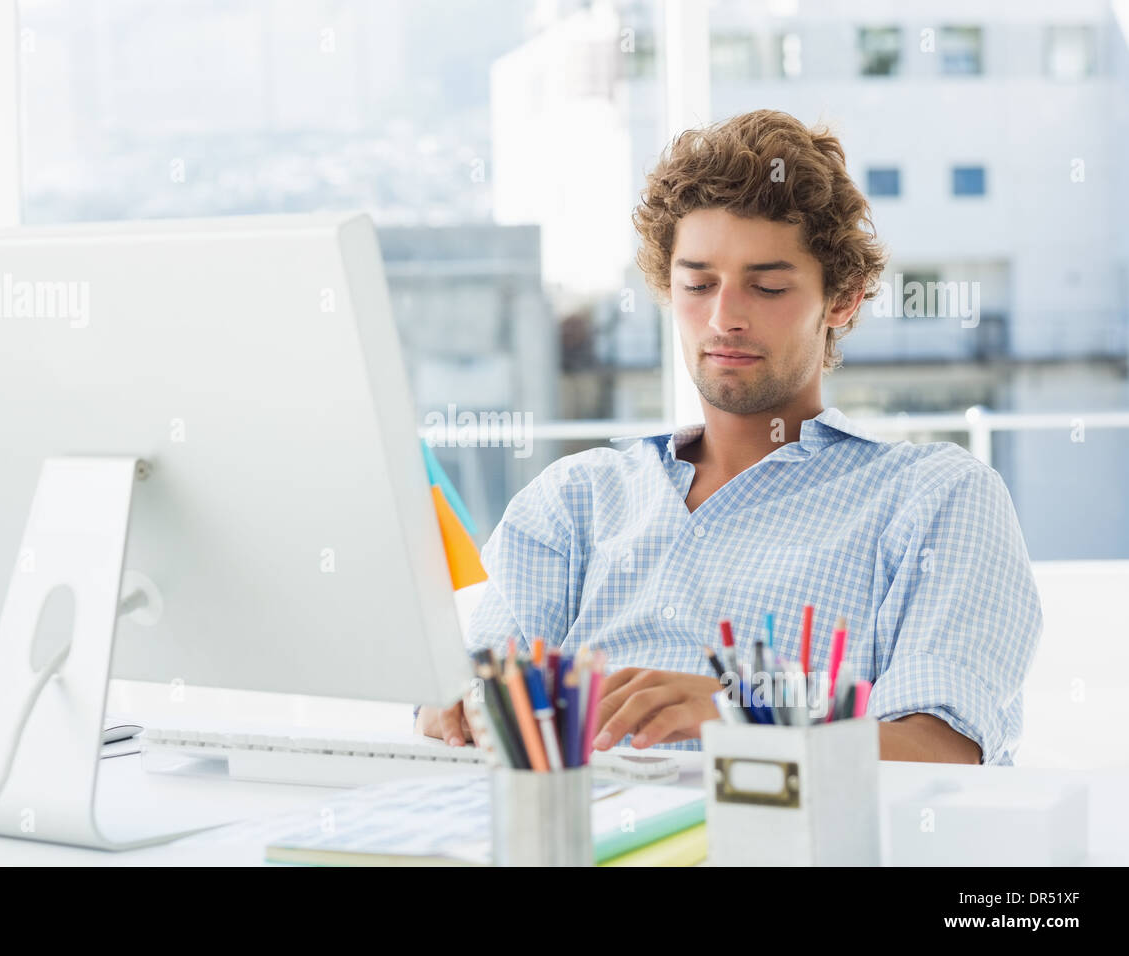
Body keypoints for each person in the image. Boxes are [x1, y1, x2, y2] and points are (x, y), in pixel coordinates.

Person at [415, 109, 1041, 764]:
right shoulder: (572, 501)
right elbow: (479, 715)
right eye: (697, 284)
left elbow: (943, 751)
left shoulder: (936, 498)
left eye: (767, 286)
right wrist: (451, 706)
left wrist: (741, 718)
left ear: (844, 300)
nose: (724, 318)